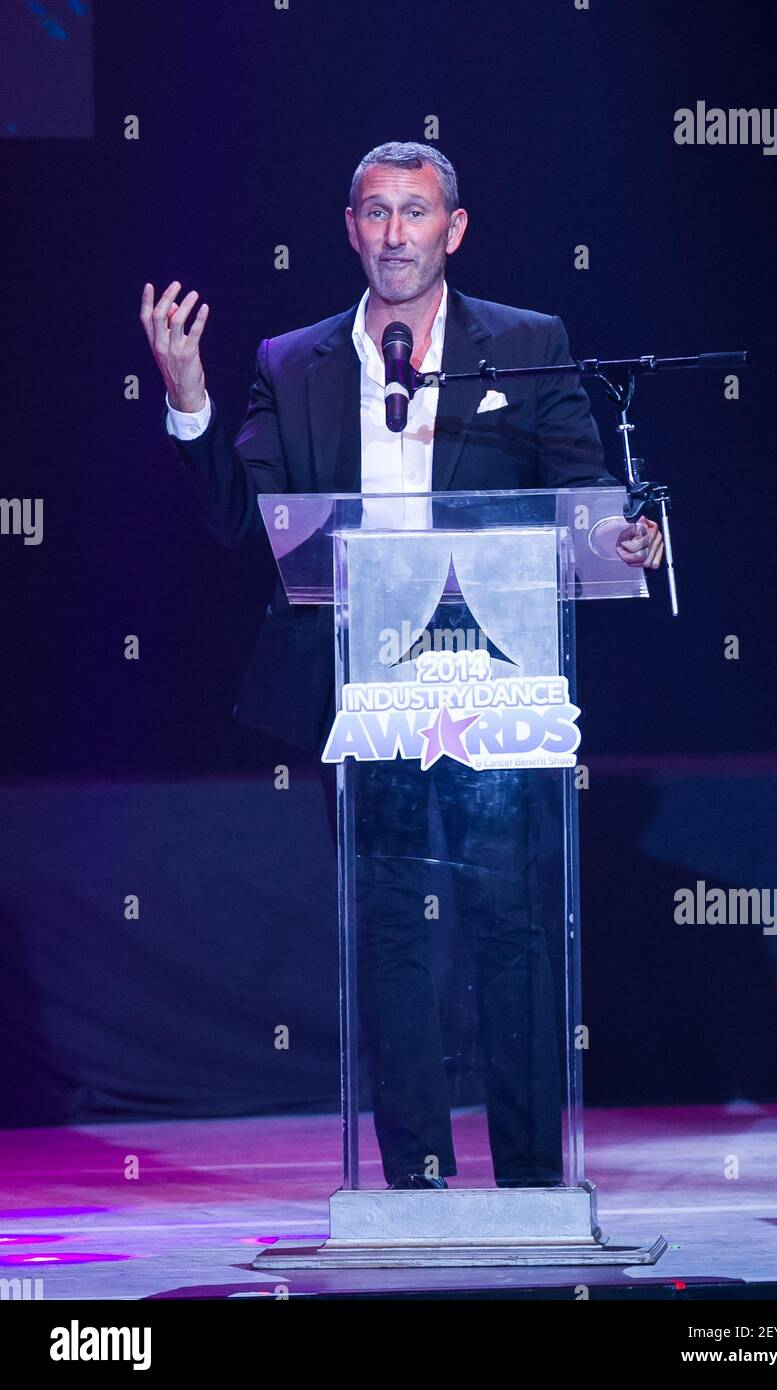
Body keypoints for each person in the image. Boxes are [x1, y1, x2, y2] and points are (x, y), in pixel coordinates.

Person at [140, 141, 663, 1189]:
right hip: (359, 682)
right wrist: (187, 397)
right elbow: (241, 520)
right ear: (349, 228)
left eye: (414, 214)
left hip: (496, 673)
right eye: (374, 213)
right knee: (390, 933)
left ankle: (527, 1179)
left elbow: (582, 496)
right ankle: (416, 1174)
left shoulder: (526, 341)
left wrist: (627, 535)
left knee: (511, 928)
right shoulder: (294, 361)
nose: (393, 234)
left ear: (451, 229)